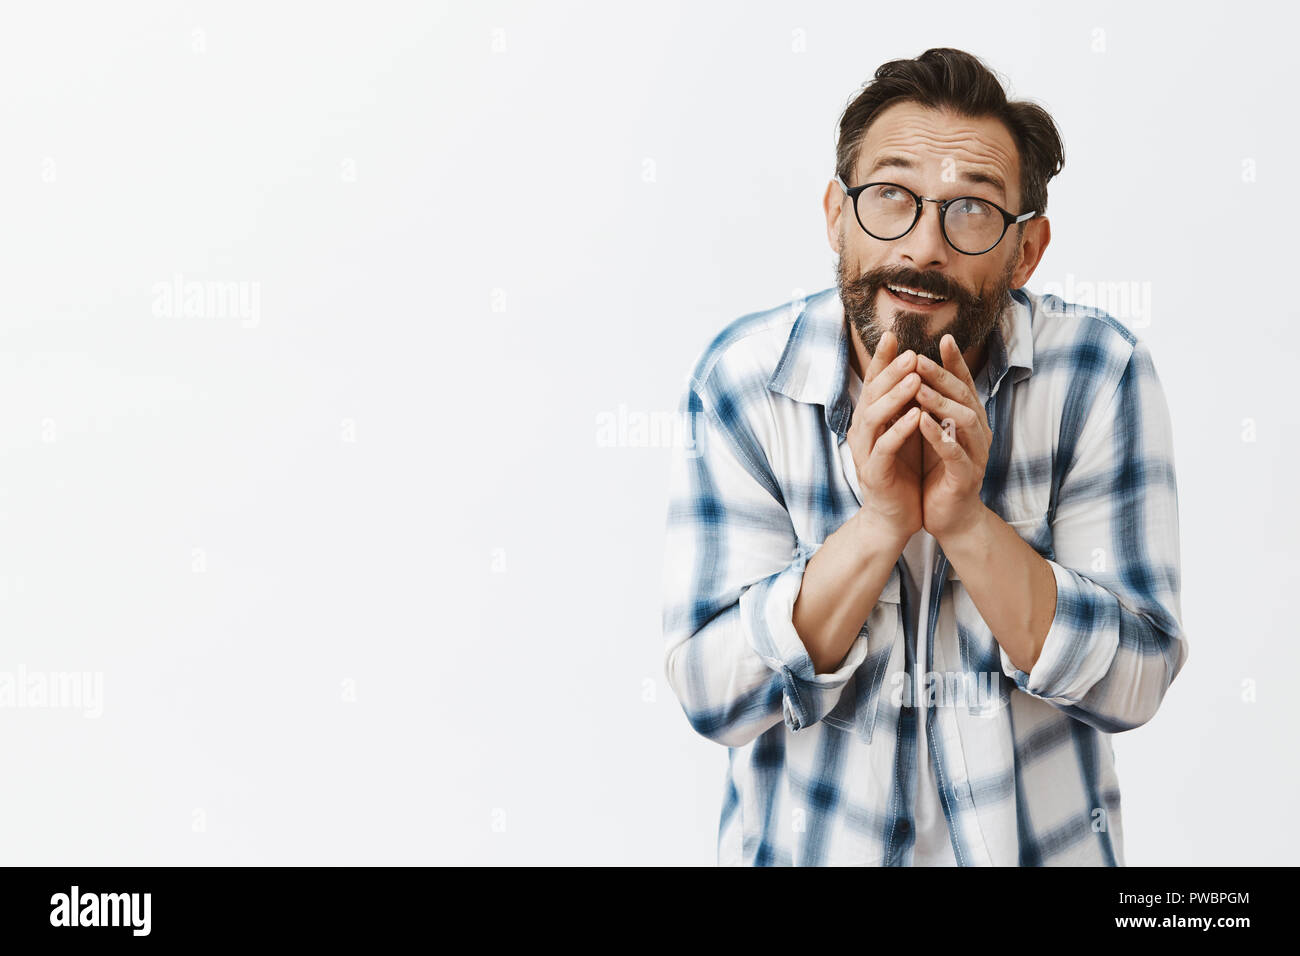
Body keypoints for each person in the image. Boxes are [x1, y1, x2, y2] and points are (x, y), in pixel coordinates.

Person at [661, 47, 1187, 866]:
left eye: (971, 210)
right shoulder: (745, 382)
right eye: (891, 198)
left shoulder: (1097, 373)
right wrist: (877, 527)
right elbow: (712, 694)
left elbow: (1136, 682)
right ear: (837, 215)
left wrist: (967, 524)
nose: (923, 247)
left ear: (1025, 251)